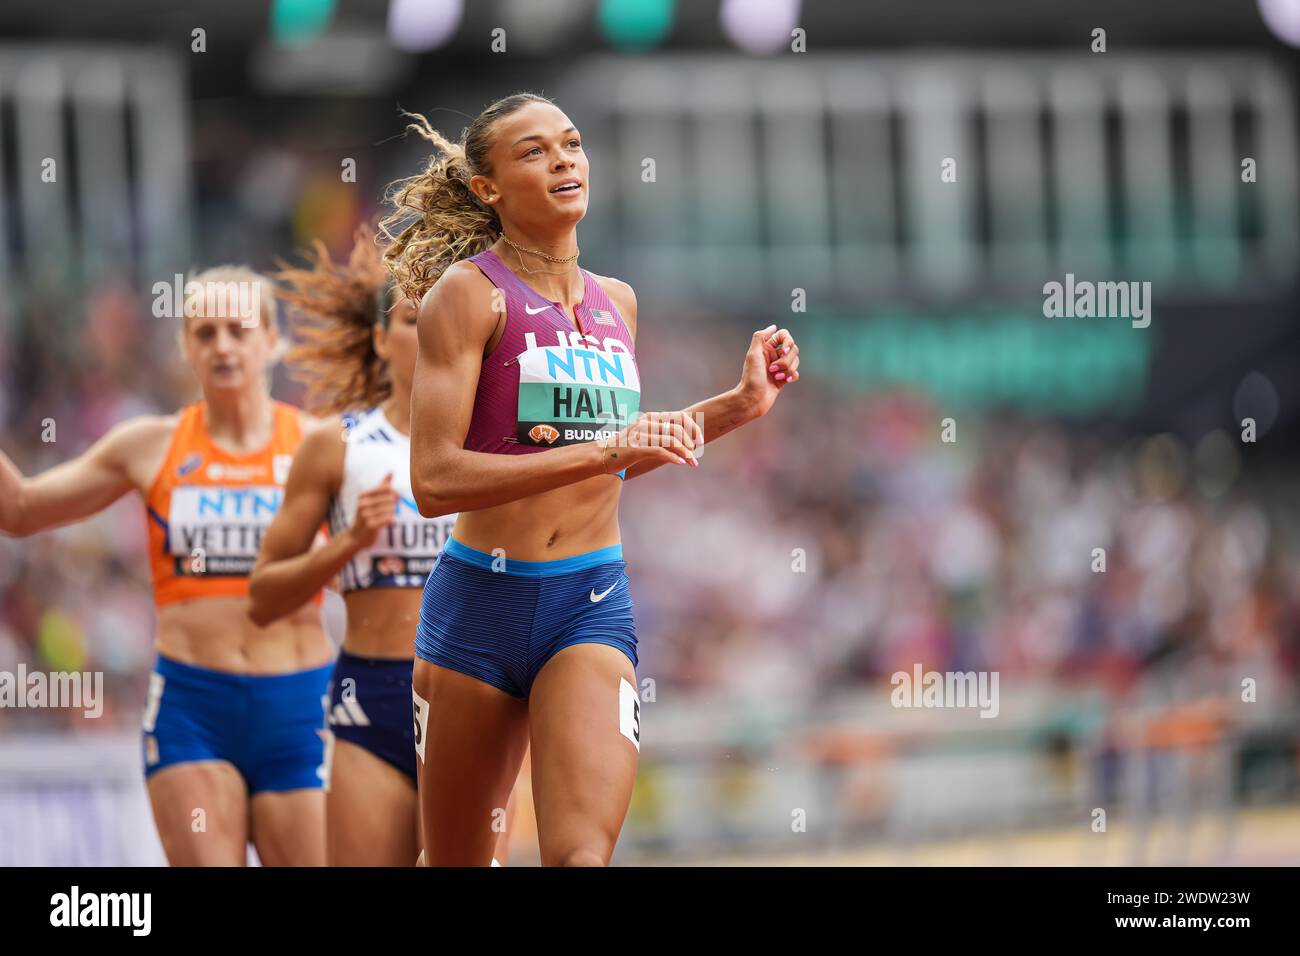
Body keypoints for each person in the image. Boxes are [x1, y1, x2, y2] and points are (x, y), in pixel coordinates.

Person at [379, 92, 800, 866]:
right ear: (488, 188)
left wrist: (740, 407)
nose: (564, 159)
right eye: (533, 151)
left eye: (571, 144)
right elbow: (435, 479)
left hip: (589, 601)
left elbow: (619, 455)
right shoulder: (467, 297)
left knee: (579, 858)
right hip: (478, 607)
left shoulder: (619, 305)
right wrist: (606, 450)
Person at [0, 267, 331, 866]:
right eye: (205, 333)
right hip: (192, 709)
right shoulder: (148, 446)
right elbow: (20, 510)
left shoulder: (320, 446)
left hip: (298, 706)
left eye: (239, 329)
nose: (223, 346)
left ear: (272, 341)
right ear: (185, 347)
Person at [249, 231, 517, 865]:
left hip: (472, 689)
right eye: (409, 319)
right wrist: (346, 545)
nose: (427, 334)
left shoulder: (499, 443)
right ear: (379, 339)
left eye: (439, 318)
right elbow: (263, 597)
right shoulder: (335, 446)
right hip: (370, 692)